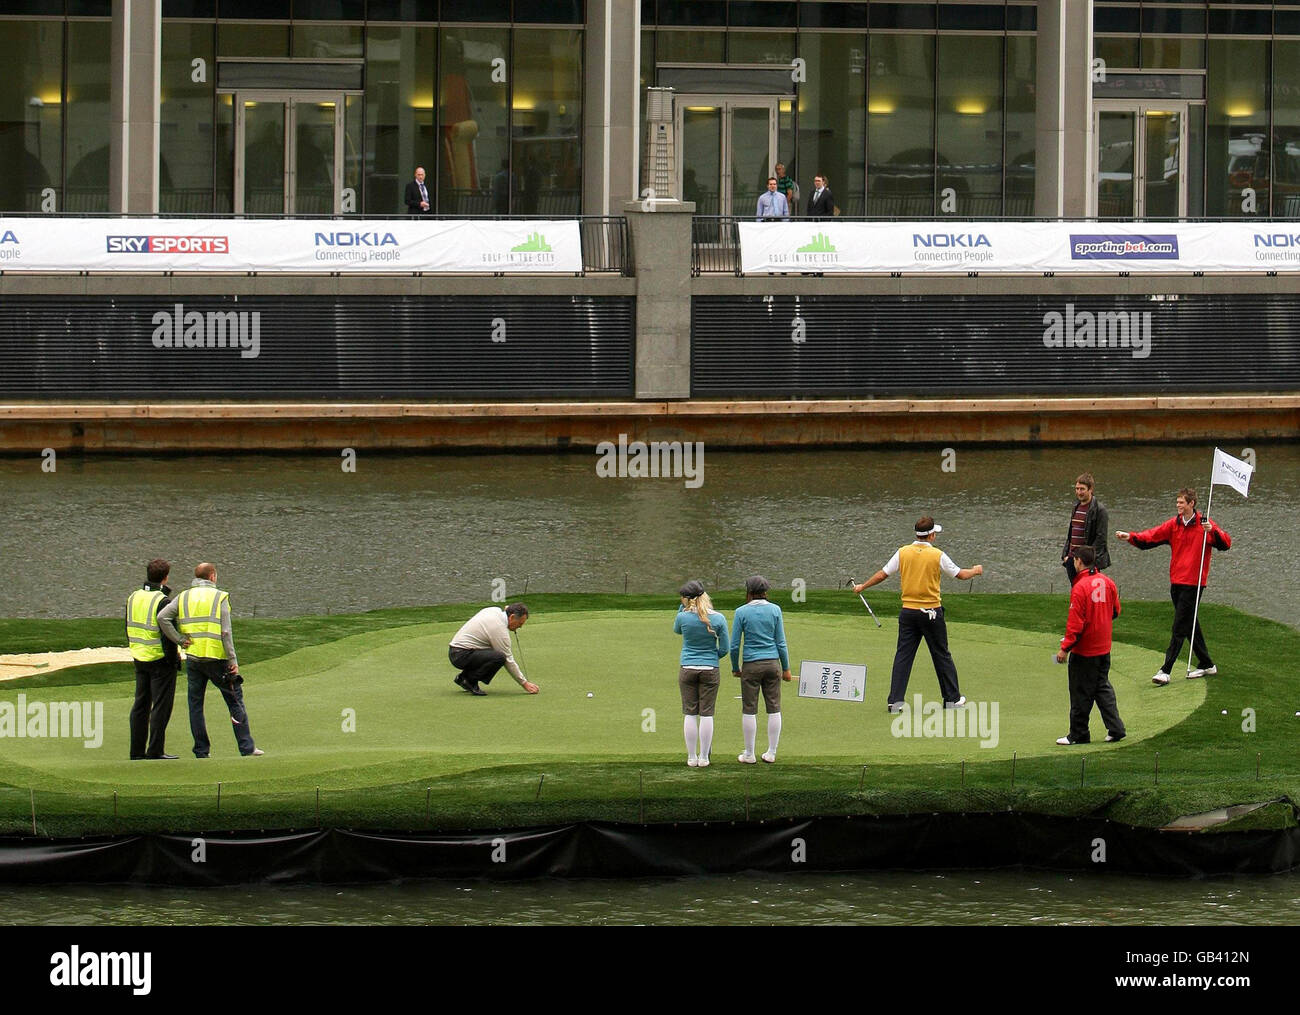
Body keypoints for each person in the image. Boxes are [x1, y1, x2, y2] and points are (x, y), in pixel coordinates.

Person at [854, 516, 984, 712]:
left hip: (908, 613)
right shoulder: (937, 555)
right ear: (931, 535)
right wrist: (975, 570)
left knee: (903, 655)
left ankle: (895, 702)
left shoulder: (903, 552)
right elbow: (961, 575)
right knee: (941, 654)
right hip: (931, 612)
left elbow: (883, 573)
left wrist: (863, 586)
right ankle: (952, 699)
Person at [1116, 487, 1232, 684]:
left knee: (1179, 626)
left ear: (1191, 504)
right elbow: (1152, 536)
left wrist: (1214, 531)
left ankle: (1165, 670)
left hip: (1194, 583)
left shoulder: (1205, 524)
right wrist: (1131, 537)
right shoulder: (1174, 524)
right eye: (1177, 502)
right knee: (1189, 624)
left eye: (1181, 502)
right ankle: (1207, 663)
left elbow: (1225, 543)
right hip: (1176, 581)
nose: (1178, 505)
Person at [158, 563, 263, 758]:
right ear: (212, 576)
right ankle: (246, 747)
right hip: (217, 658)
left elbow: (163, 617)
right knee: (234, 700)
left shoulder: (184, 596)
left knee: (195, 705)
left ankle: (201, 750)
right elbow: (225, 631)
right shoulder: (219, 596)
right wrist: (233, 660)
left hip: (194, 657)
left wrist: (180, 640)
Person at [1054, 546, 1125, 745]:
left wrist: (1064, 648)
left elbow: (1076, 625)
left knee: (1080, 692)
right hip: (1104, 648)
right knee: (1102, 688)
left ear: (1078, 561)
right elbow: (1116, 611)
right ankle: (1116, 729)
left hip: (1085, 651)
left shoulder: (1080, 587)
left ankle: (1078, 734)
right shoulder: (1107, 582)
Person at [730, 575, 791, 764]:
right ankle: (771, 752)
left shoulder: (741, 612)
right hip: (773, 664)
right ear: (765, 592)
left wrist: (735, 667)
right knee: (774, 708)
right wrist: (786, 668)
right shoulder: (775, 610)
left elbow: (734, 646)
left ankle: (749, 753)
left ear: (749, 592)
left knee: (749, 709)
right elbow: (780, 643)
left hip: (751, 665)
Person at [125, 558, 180, 760]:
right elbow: (168, 634)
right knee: (161, 706)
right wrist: (173, 659)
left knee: (141, 704)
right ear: (165, 577)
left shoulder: (133, 596)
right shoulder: (162, 601)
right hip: (159, 659)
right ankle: (155, 750)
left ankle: (136, 751)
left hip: (139, 655)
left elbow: (127, 625)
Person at [673, 580, 729, 768]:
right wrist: (713, 657)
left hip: (688, 668)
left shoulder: (682, 617)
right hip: (710, 669)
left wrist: (681, 609)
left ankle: (691, 757)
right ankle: (704, 757)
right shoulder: (719, 618)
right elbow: (725, 649)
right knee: (706, 714)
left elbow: (676, 630)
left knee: (690, 713)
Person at [448, 603, 539, 695]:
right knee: (499, 657)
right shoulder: (498, 628)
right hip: (461, 655)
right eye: (520, 623)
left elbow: (507, 608)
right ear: (511, 617)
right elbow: (508, 660)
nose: (520, 627)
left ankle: (463, 678)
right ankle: (469, 680)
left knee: (493, 653)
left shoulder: (494, 610)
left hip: (456, 651)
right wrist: (524, 683)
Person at [1062, 472, 1110, 582]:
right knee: (1076, 592)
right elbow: (1071, 533)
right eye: (1077, 489)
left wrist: (1087, 560)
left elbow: (1101, 539)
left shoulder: (1100, 510)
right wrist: (1066, 556)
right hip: (1072, 559)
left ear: (1090, 489)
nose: (1079, 492)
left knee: (1088, 592)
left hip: (1086, 563)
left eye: (1082, 489)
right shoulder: (1076, 506)